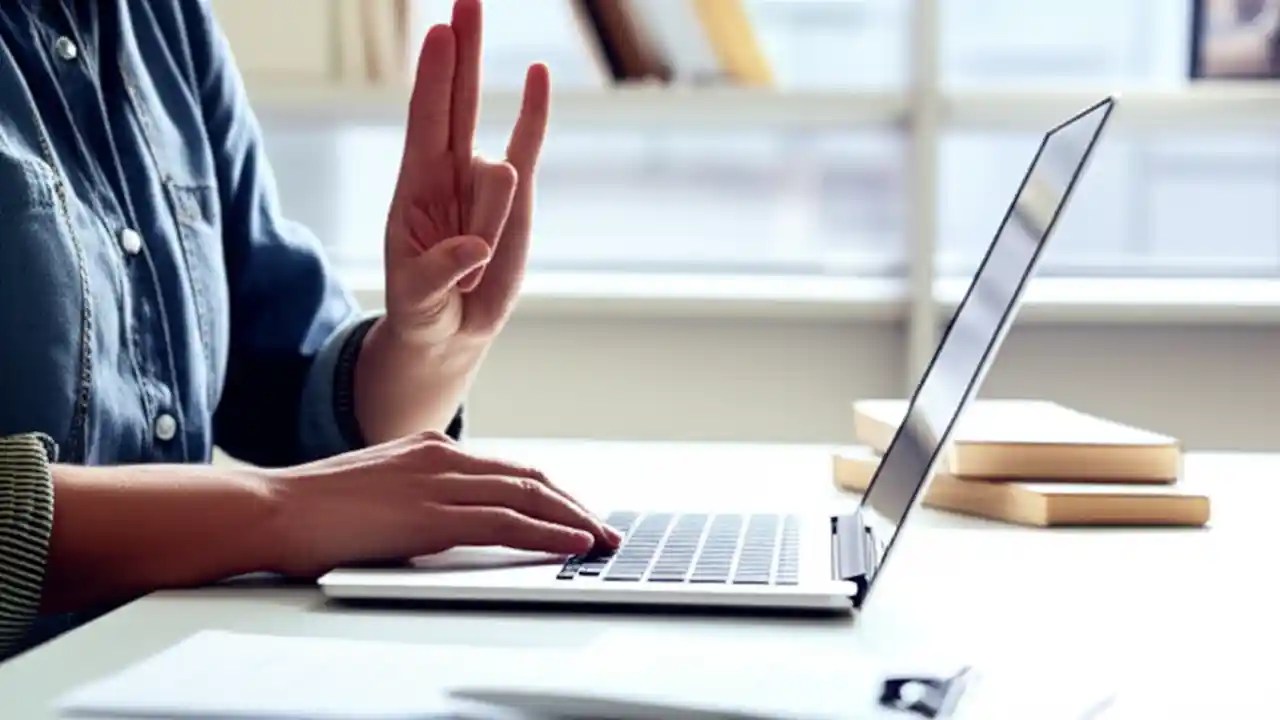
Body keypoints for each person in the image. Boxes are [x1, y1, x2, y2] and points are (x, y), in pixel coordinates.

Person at [0, 0, 620, 660]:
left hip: (154, 662)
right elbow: (315, 497)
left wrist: (432, 341)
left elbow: (287, 387)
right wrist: (279, 510)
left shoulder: (166, 20)